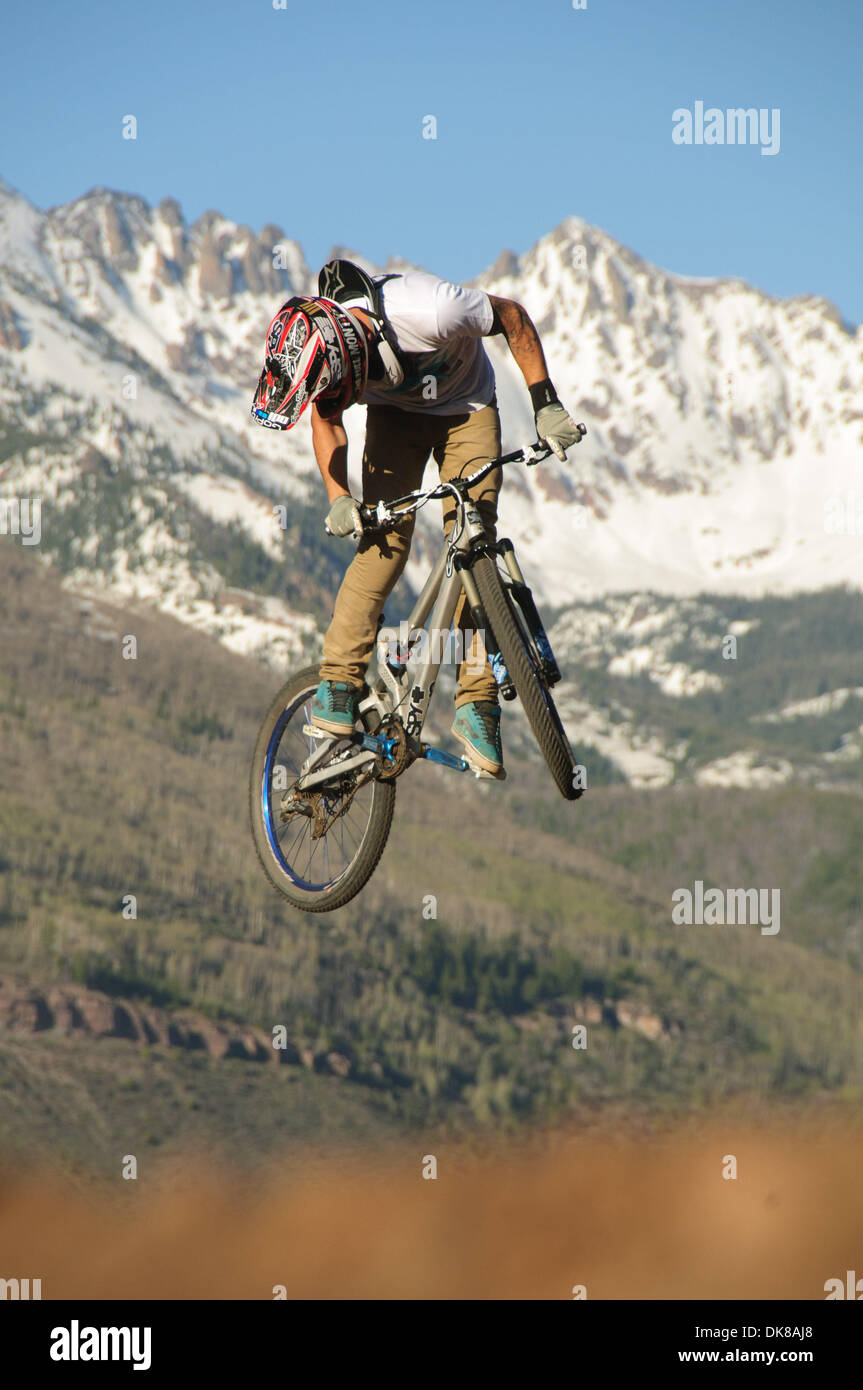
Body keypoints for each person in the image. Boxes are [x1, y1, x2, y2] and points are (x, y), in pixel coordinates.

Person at [251, 260, 583, 779]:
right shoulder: (331, 357)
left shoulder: (433, 309)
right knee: (383, 545)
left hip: (467, 408)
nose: (335, 399)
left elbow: (513, 317)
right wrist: (338, 496)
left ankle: (477, 704)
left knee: (475, 538)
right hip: (395, 422)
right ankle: (338, 683)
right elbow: (328, 424)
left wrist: (546, 403)